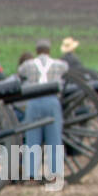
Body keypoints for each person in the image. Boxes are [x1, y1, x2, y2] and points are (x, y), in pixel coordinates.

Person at [17, 39, 70, 182]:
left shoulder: (29, 65)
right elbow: (66, 68)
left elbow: (20, 72)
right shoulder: (59, 65)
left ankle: (31, 175)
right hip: (51, 101)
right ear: (49, 50)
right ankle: (54, 174)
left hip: (34, 102)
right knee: (54, 140)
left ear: (37, 51)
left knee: (32, 139)